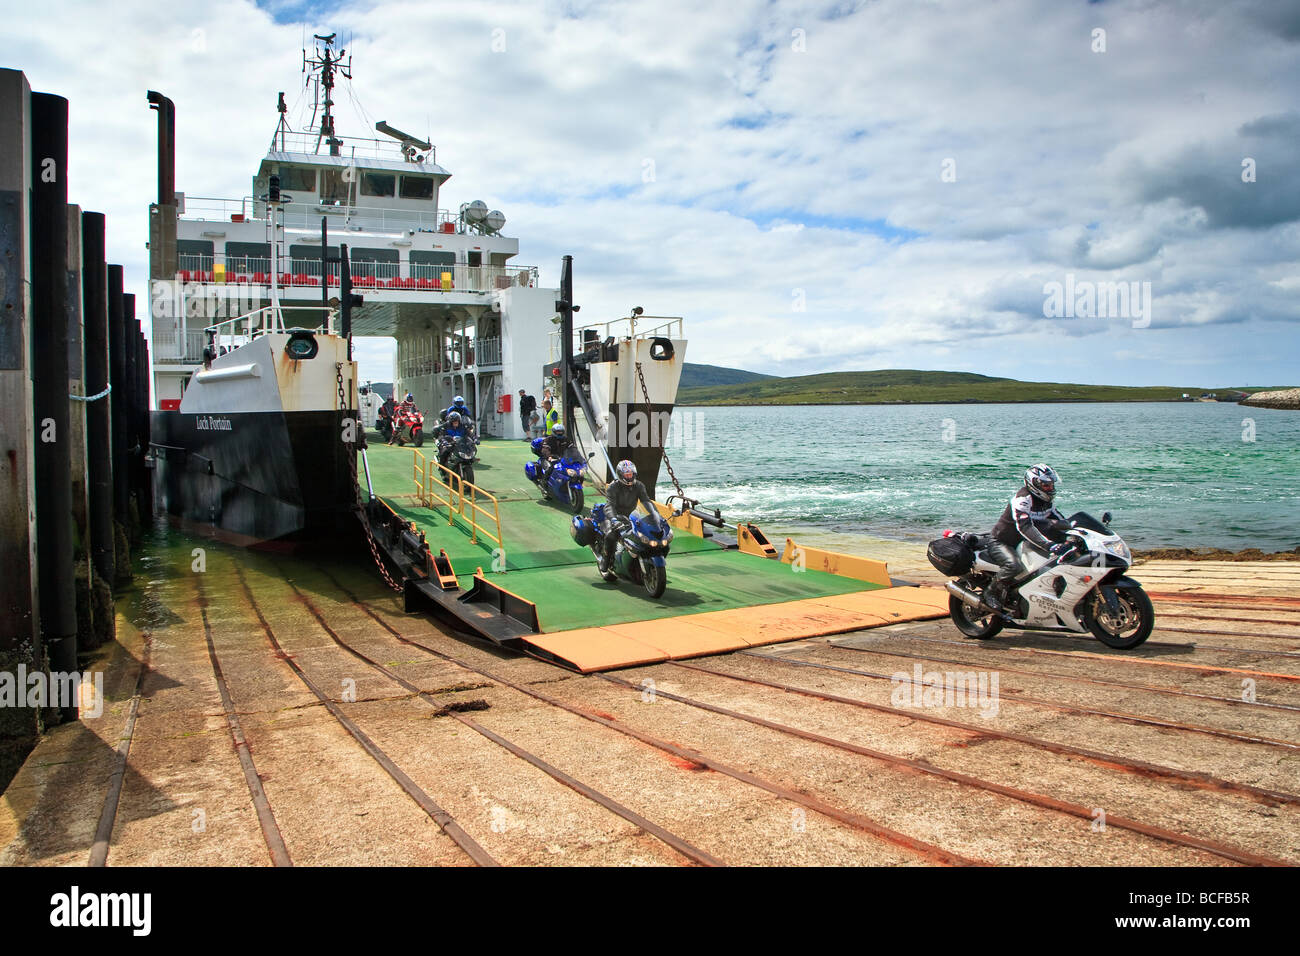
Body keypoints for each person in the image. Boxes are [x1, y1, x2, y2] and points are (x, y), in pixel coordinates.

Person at [985, 464, 1070, 615]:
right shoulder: (1023, 499)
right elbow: (1025, 527)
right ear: (1034, 483)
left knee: (1054, 563)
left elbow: (1062, 521)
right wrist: (1049, 545)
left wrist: (1076, 533)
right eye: (1046, 484)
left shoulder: (1046, 501)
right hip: (1002, 542)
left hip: (1022, 543)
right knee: (1014, 566)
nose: (1050, 488)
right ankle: (990, 593)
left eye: (1051, 484)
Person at [598, 459, 663, 574]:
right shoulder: (613, 487)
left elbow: (646, 502)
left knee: (645, 535)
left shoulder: (639, 485)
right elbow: (609, 505)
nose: (629, 477)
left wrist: (655, 515)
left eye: (631, 474)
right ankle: (605, 559)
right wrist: (613, 519)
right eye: (626, 474)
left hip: (631, 516)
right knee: (611, 536)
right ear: (620, 475)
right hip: (614, 516)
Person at [537, 423, 573, 488]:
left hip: (562, 458)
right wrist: (549, 456)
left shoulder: (566, 439)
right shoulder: (548, 440)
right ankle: (544, 482)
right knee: (550, 467)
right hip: (550, 458)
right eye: (557, 432)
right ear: (554, 432)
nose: (559, 433)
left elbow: (572, 448)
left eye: (561, 431)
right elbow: (545, 450)